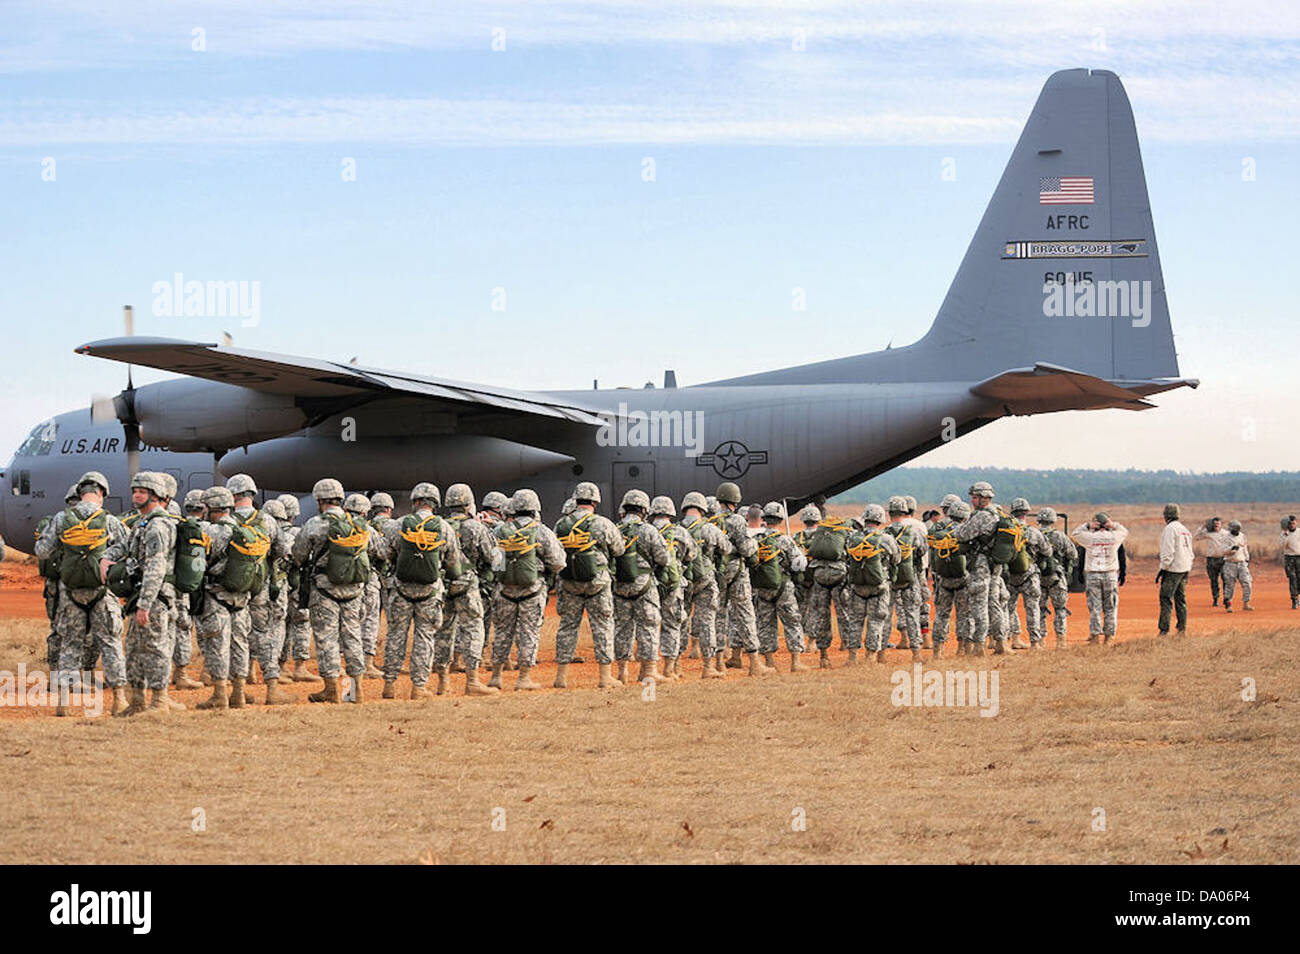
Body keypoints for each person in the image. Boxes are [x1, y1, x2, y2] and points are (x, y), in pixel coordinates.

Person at [34, 471, 129, 716]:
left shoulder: (62, 518)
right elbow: (129, 545)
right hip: (101, 590)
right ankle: (119, 700)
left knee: (70, 644)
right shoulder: (107, 519)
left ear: (79, 493)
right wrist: (107, 557)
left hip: (71, 592)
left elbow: (42, 550)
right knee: (110, 643)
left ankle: (63, 703)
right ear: (101, 493)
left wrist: (69, 550)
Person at [101, 472, 179, 716]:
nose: (136, 495)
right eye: (135, 490)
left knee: (155, 648)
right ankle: (137, 702)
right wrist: (106, 557)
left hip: (154, 597)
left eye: (142, 492)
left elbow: (156, 567)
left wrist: (145, 605)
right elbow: (124, 546)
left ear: (155, 496)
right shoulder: (141, 522)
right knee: (134, 648)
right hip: (140, 595)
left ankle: (160, 702)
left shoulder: (158, 526)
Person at [291, 478, 374, 704]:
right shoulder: (358, 524)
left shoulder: (314, 524)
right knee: (352, 638)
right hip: (354, 590)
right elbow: (375, 550)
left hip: (325, 590)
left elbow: (298, 554)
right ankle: (354, 692)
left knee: (327, 639)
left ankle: (332, 690)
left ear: (319, 500)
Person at [377, 483, 460, 699]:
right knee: (425, 637)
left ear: (415, 503)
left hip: (401, 590)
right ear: (435, 504)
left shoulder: (400, 524)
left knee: (396, 636)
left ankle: (389, 685)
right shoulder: (444, 528)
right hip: (429, 593)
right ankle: (419, 688)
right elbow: (453, 563)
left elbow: (386, 553)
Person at [489, 489, 565, 690]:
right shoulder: (541, 531)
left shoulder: (499, 531)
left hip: (504, 590)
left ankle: (496, 676)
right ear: (535, 508)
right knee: (528, 632)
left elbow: (495, 564)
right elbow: (558, 562)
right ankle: (523, 678)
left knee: (502, 632)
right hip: (532, 591)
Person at [553, 481, 626, 688]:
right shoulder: (602, 524)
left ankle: (561, 677)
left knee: (567, 626)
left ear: (576, 500)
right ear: (595, 501)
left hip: (569, 583)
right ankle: (605, 677)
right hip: (597, 583)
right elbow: (619, 550)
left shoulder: (561, 524)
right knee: (602, 626)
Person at [435, 484, 499, 695]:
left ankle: (443, 682)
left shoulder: (440, 525)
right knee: (473, 627)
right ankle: (472, 681)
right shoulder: (475, 527)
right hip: (468, 583)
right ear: (469, 504)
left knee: (443, 630)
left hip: (444, 584)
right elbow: (495, 560)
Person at [611, 489, 672, 684]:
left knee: (622, 627)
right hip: (645, 586)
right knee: (649, 626)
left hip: (619, 587)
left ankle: (622, 672)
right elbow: (664, 559)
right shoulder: (648, 530)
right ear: (644, 510)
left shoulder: (615, 528)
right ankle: (649, 671)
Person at [714, 481, 773, 676]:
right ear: (735, 500)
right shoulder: (737, 521)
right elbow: (747, 549)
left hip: (717, 573)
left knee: (718, 616)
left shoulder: (711, 521)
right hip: (737, 573)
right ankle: (755, 663)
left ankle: (719, 662)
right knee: (745, 614)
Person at [749, 502, 809, 672]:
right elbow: (798, 563)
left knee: (765, 623)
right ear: (781, 519)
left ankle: (768, 661)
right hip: (783, 587)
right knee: (792, 622)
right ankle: (795, 662)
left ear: (764, 519)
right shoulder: (785, 540)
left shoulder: (756, 540)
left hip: (761, 588)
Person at [679, 491, 732, 679]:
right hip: (705, 581)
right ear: (703, 509)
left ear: (685, 507)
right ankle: (709, 667)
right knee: (708, 622)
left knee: (679, 621)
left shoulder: (676, 529)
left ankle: (675, 667)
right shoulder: (710, 529)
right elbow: (727, 549)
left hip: (683, 582)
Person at [648, 495, 699, 678]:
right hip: (673, 583)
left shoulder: (646, 530)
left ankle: (648, 669)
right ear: (671, 512)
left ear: (653, 511)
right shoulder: (680, 532)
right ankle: (670, 668)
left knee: (650, 625)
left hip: (649, 585)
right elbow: (691, 555)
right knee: (672, 624)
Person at [844, 505, 901, 662]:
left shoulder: (853, 538)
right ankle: (870, 657)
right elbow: (897, 559)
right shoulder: (886, 539)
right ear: (880, 520)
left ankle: (852, 657)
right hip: (878, 588)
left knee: (855, 621)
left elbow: (846, 558)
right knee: (876, 621)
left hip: (857, 587)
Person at [1071, 512, 1129, 644]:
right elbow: (1124, 531)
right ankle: (1109, 637)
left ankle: (1095, 636)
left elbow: (1075, 534)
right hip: (1110, 575)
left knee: (1095, 607)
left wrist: (1087, 525)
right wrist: (1112, 524)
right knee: (1110, 607)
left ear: (1095, 525)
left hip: (1093, 575)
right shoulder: (1114, 537)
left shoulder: (1089, 539)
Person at [1004, 498, 1052, 650]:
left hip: (1010, 576)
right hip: (1030, 575)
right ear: (1027, 512)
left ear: (1012, 512)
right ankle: (1035, 643)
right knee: (1033, 608)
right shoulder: (1033, 532)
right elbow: (1047, 551)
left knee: (1008, 609)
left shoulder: (1007, 532)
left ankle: (1013, 639)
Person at [884, 496, 926, 661]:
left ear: (889, 514)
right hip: (910, 577)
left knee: (886, 614)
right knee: (912, 613)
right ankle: (916, 652)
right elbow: (922, 551)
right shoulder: (914, 532)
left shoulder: (884, 533)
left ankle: (881, 654)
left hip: (890, 579)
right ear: (905, 511)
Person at [928, 500, 971, 657]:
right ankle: (962, 648)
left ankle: (937, 651)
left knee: (941, 614)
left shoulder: (940, 532)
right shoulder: (966, 532)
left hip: (944, 579)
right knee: (964, 614)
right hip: (963, 579)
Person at [1035, 507, 1074, 647]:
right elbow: (1072, 555)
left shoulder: (1033, 534)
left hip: (1037, 578)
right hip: (1056, 577)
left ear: (1039, 520)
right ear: (1053, 520)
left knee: (1039, 610)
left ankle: (1040, 641)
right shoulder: (1060, 536)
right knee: (1060, 609)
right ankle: (1061, 641)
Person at [1156, 502, 1192, 637]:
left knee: (1165, 598)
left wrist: (1163, 568)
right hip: (1185, 568)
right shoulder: (1185, 529)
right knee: (1180, 599)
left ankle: (1164, 630)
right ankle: (1182, 629)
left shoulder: (1170, 529)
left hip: (1173, 569)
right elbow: (1190, 552)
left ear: (1166, 516)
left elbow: (1168, 552)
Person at [1193, 517, 1231, 607]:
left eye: (1218, 524)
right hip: (1211, 559)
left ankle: (1227, 599)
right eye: (1214, 524)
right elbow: (1196, 537)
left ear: (1221, 524)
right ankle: (1215, 598)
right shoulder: (1208, 533)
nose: (1216, 526)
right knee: (1214, 580)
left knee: (1225, 579)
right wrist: (1202, 527)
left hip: (1223, 559)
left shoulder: (1226, 534)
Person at [1220, 520, 1252, 612]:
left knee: (1247, 582)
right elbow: (1223, 551)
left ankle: (1246, 603)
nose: (1235, 530)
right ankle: (1228, 604)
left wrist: (1247, 558)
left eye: (1237, 529)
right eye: (1234, 529)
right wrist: (1231, 549)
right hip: (1230, 563)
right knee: (1230, 585)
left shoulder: (1242, 536)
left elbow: (1244, 547)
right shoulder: (1225, 537)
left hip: (1242, 562)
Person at [1278, 514, 1299, 610]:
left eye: (1294, 523)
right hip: (1289, 558)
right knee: (1292, 578)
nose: (1292, 525)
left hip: (1299, 557)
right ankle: (1294, 599)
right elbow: (1281, 546)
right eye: (1290, 524)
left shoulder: (1299, 532)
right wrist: (1286, 535)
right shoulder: (1284, 534)